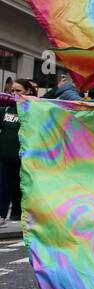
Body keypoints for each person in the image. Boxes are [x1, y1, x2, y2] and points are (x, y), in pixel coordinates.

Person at [0, 78, 35, 223]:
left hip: (22, 159)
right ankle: (1, 215)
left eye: (18, 91)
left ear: (27, 91)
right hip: (3, 158)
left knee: (18, 189)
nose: (14, 93)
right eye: (12, 90)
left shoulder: (33, 110)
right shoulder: (5, 109)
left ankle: (16, 217)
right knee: (2, 188)